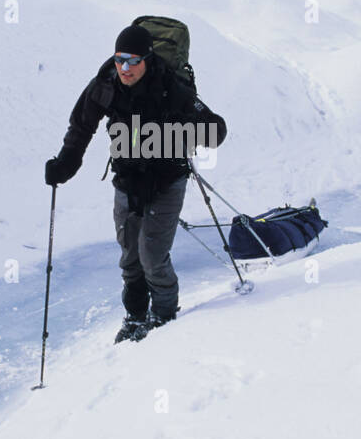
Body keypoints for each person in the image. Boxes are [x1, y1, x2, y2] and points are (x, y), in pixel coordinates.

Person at [45, 23, 227, 342]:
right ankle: (136, 317)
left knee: (152, 256)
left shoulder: (172, 87)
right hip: (127, 179)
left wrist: (175, 133)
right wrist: (65, 165)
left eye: (132, 60)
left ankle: (164, 317)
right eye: (119, 59)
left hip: (167, 180)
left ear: (147, 58)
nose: (124, 68)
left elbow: (217, 130)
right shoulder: (106, 83)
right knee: (130, 257)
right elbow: (81, 126)